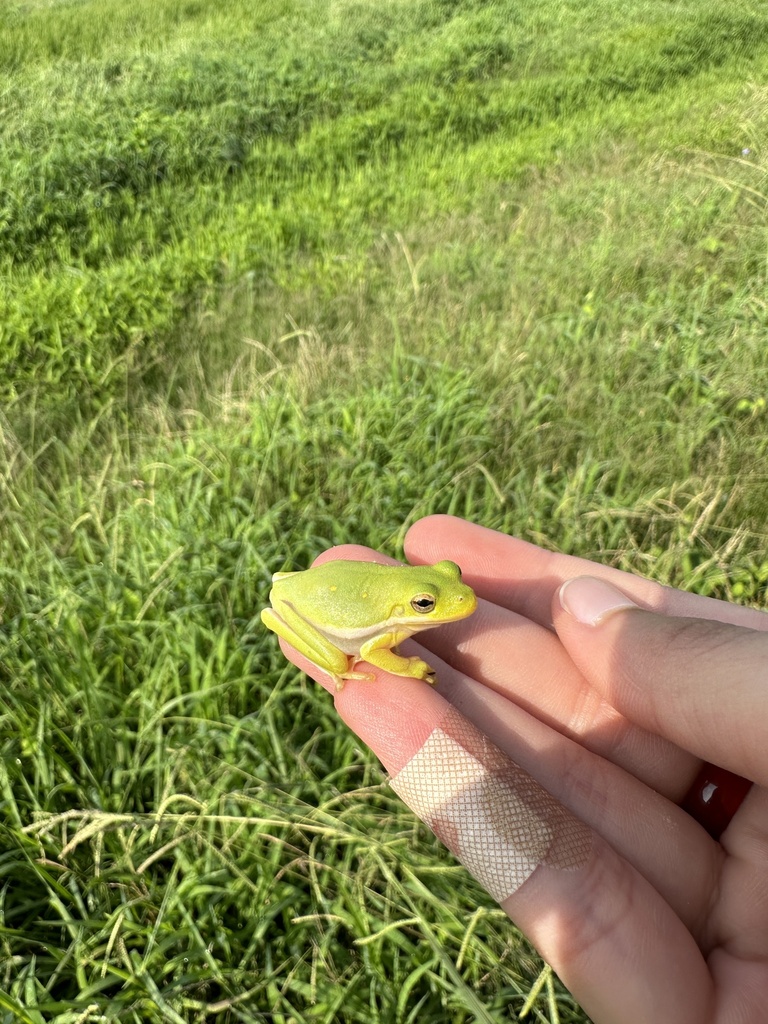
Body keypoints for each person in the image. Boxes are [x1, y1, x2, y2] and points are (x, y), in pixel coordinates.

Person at [277, 514, 768, 1024]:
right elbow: (378, 650)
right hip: (302, 606)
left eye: (449, 583)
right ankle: (333, 662)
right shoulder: (386, 626)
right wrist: (402, 665)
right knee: (349, 662)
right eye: (428, 603)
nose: (456, 602)